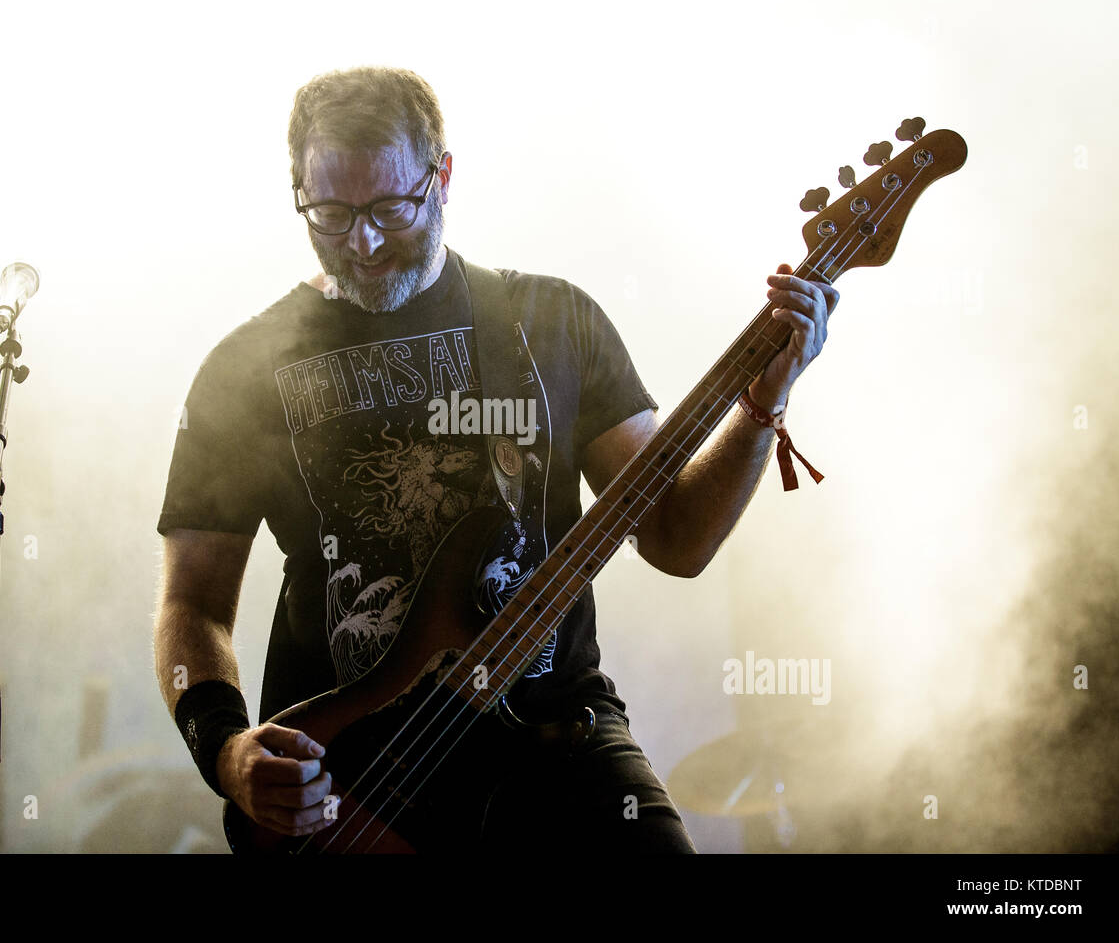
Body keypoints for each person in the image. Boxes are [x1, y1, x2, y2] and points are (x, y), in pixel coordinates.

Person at [154, 66, 838, 854]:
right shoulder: (243, 369)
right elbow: (193, 606)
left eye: (389, 208)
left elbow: (677, 541)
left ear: (443, 177)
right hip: (351, 782)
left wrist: (760, 407)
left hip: (557, 733)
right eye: (331, 214)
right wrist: (227, 752)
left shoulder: (552, 322)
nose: (364, 242)